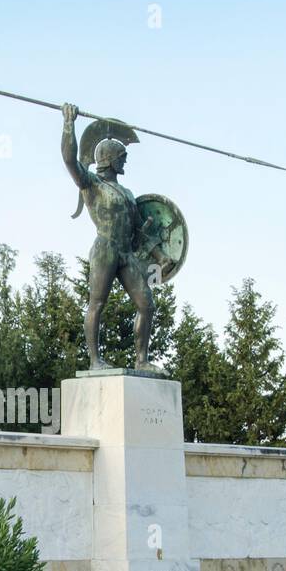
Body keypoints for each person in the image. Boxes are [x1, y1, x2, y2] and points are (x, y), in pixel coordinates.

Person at [61, 102, 169, 370]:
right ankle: (95, 360)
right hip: (105, 249)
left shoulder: (129, 194)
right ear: (108, 158)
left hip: (125, 253)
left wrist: (148, 237)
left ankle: (142, 361)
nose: (125, 160)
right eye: (121, 156)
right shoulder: (91, 184)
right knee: (97, 303)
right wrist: (68, 123)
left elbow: (136, 237)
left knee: (147, 303)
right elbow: (69, 160)